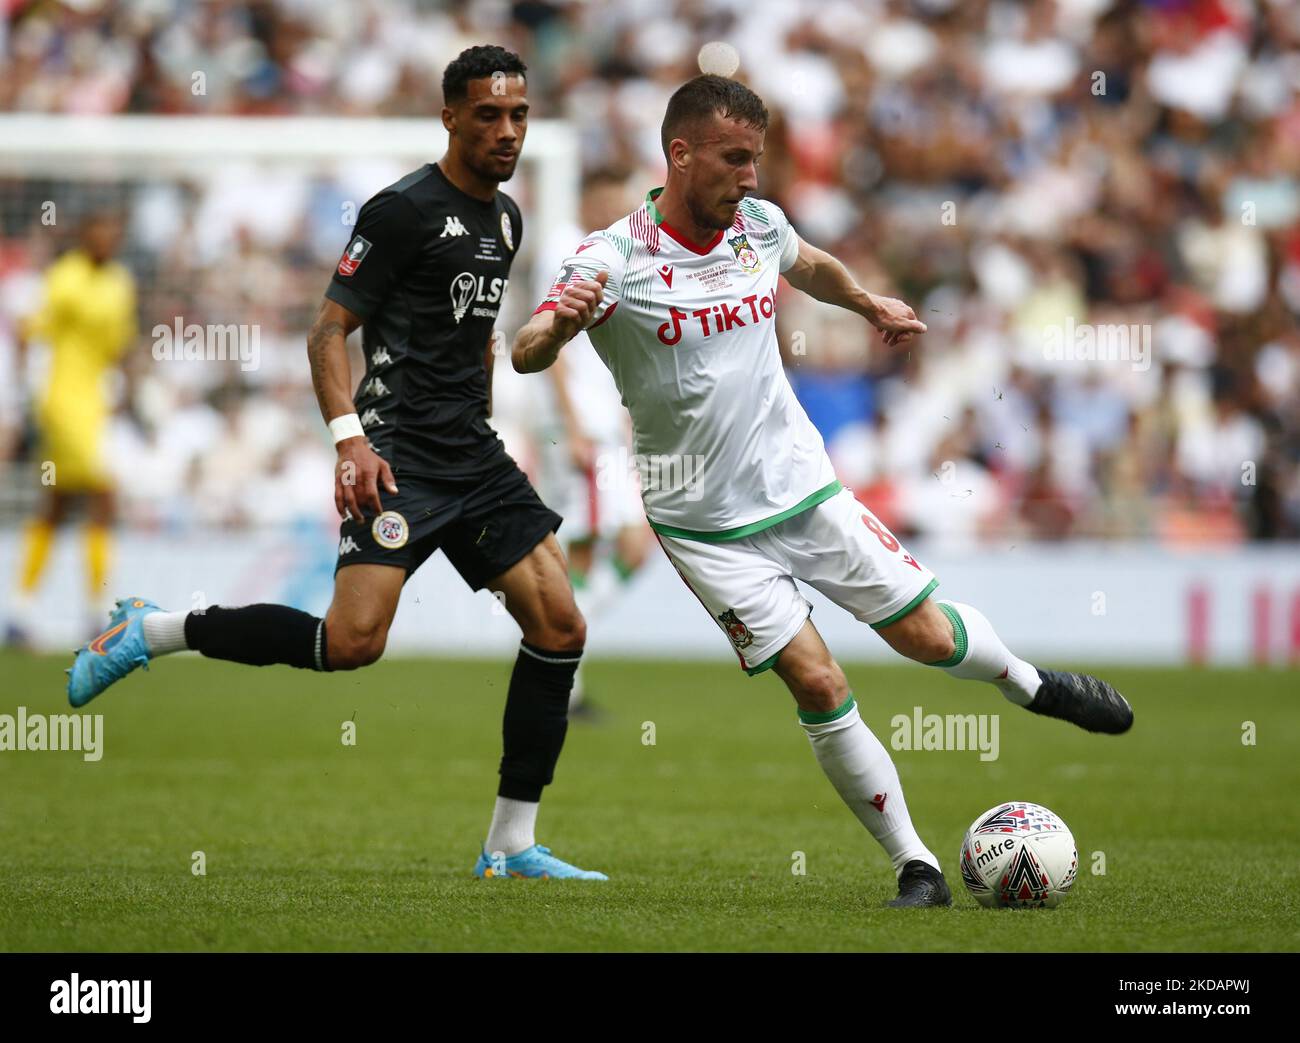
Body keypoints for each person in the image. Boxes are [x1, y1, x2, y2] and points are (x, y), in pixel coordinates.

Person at [512, 75, 1132, 907]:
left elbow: (810, 265)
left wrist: (867, 300)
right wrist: (557, 324)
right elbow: (525, 350)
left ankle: (1028, 683)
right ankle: (917, 865)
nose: (751, 178)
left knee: (923, 635)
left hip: (802, 488)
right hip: (701, 524)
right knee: (819, 684)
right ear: (680, 153)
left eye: (757, 160)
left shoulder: (758, 226)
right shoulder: (609, 258)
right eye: (735, 160)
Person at [66, 45, 606, 882]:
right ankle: (153, 629)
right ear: (451, 117)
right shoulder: (399, 212)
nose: (508, 131)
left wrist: (486, 422)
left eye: (520, 115)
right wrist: (350, 440)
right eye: (490, 115)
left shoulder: (508, 220)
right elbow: (326, 331)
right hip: (397, 460)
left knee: (561, 626)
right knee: (351, 643)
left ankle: (510, 842)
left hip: (474, 458)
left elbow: (475, 341)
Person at [531, 168, 651, 712]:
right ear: (587, 195)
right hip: (582, 426)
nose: (617, 207)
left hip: (602, 424)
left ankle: (553, 650)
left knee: (619, 545)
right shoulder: (566, 249)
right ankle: (556, 665)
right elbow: (547, 336)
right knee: (601, 547)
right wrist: (573, 424)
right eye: (609, 197)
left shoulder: (610, 251)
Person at [8, 209, 135, 646]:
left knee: (58, 506)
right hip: (63, 403)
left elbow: (120, 344)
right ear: (85, 235)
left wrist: (126, 392)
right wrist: (25, 391)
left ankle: (20, 611)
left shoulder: (120, 283)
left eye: (113, 232)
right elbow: (29, 330)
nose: (107, 240)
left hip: (97, 405)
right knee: (103, 493)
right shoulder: (65, 278)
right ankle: (97, 613)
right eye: (99, 231)